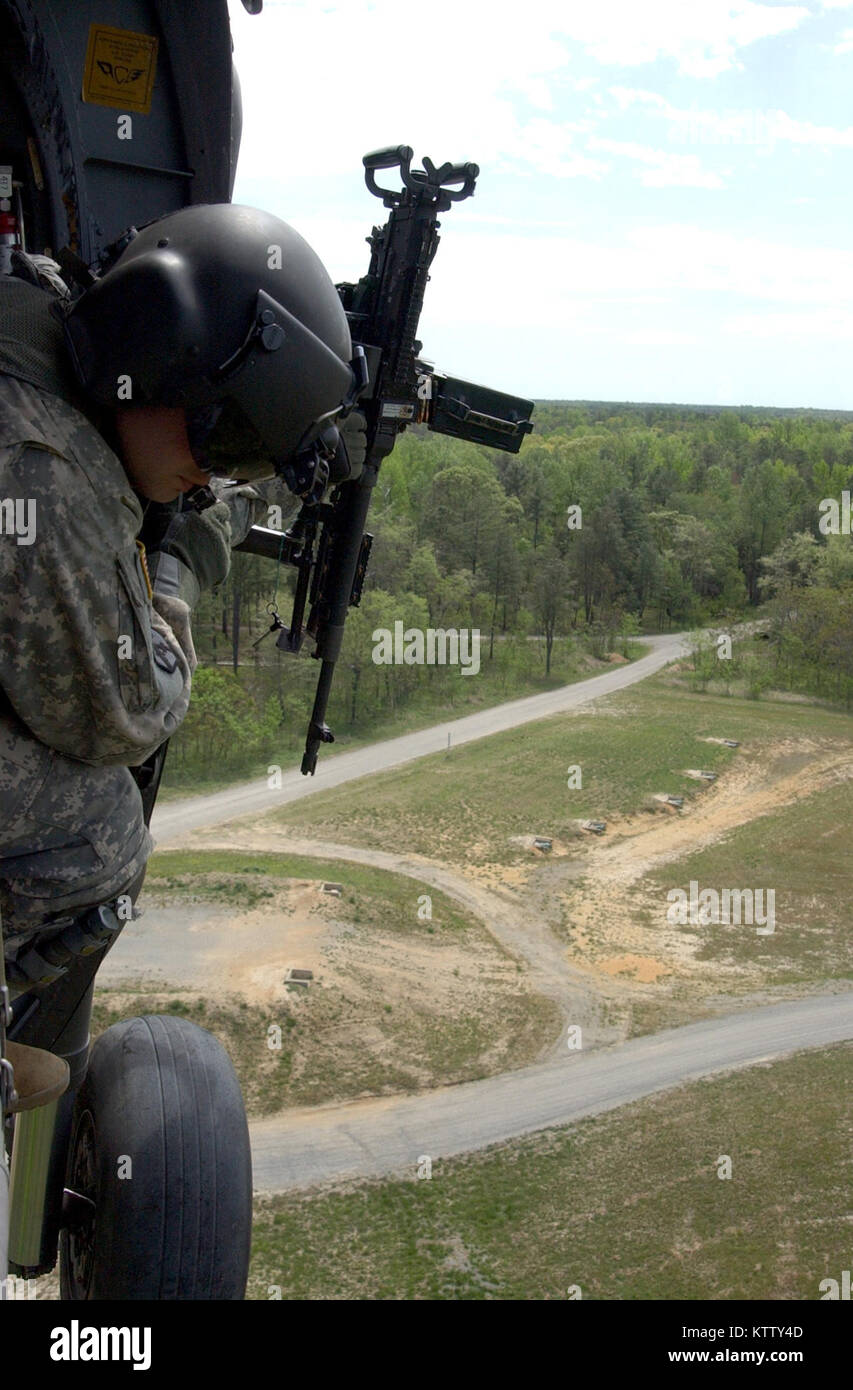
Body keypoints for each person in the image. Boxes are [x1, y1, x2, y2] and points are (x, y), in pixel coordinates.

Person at [0, 203, 363, 1008]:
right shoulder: (42, 473)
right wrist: (179, 573)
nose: (214, 476)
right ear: (160, 353)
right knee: (102, 839)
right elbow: (127, 712)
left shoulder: (37, 313)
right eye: (223, 444)